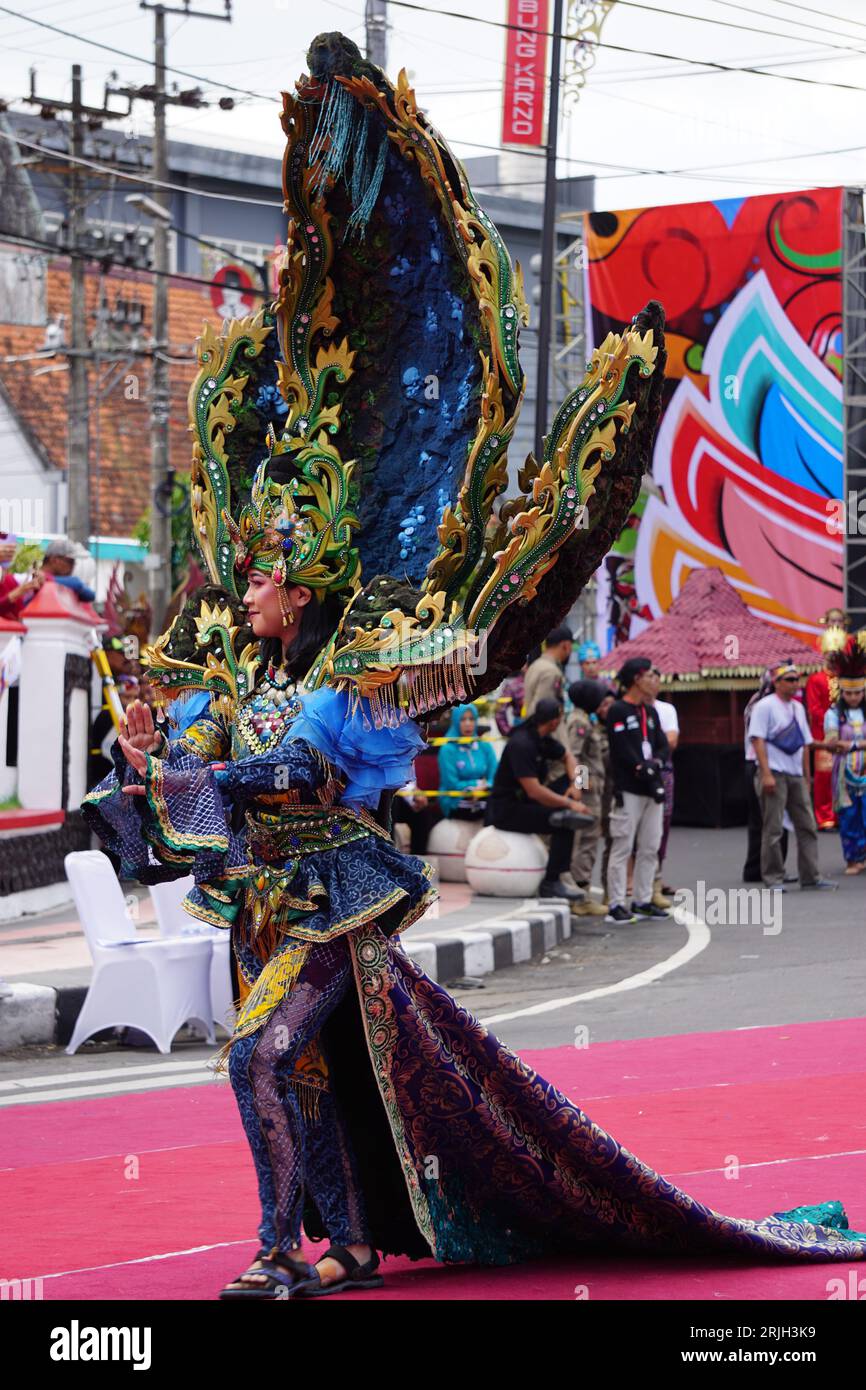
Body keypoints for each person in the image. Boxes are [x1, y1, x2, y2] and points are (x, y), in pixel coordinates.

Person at [82, 29, 866, 1296]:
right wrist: (149, 763)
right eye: (253, 569)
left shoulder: (354, 673)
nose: (250, 583)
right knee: (302, 1070)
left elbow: (322, 767)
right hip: (265, 902)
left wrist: (229, 775)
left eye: (271, 571)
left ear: (308, 580)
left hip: (334, 896)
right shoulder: (231, 671)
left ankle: (282, 1250)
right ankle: (340, 1241)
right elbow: (190, 803)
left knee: (260, 1054)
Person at [485, 698, 593, 900]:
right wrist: (572, 803)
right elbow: (534, 791)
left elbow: (571, 757)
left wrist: (578, 785)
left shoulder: (541, 737)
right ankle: (559, 882)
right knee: (567, 822)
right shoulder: (523, 743)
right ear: (554, 721)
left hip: (552, 799)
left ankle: (569, 880)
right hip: (509, 809)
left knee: (575, 811)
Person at [749, 663, 836, 891]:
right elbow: (757, 740)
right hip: (774, 773)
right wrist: (766, 773)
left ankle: (810, 876)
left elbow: (804, 744)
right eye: (789, 680)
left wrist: (807, 776)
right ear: (776, 683)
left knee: (807, 826)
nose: (794, 684)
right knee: (773, 828)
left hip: (795, 774)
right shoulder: (764, 706)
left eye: (796, 679)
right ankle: (773, 878)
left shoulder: (797, 707)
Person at [605, 657, 670, 924]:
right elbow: (621, 750)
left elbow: (663, 745)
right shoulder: (618, 710)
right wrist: (640, 767)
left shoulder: (650, 712)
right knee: (622, 846)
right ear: (636, 679)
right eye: (650, 676)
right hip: (629, 788)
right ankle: (616, 903)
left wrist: (656, 764)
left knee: (650, 846)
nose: (655, 681)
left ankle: (643, 900)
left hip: (652, 788)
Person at [565, 678, 613, 916]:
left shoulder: (585, 719)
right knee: (586, 841)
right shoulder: (579, 722)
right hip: (587, 794)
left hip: (595, 791)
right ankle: (580, 895)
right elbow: (574, 755)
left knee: (589, 840)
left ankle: (579, 893)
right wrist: (582, 783)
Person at [823, 634, 866, 873]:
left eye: (857, 693)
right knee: (849, 816)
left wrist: (850, 745)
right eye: (849, 694)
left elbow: (842, 743)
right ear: (842, 692)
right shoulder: (833, 714)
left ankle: (864, 855)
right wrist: (855, 745)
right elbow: (831, 743)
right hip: (845, 774)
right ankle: (852, 859)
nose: (853, 697)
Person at [805, 611, 848, 831]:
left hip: (847, 734)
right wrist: (833, 727)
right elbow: (815, 710)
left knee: (846, 774)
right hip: (823, 736)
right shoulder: (816, 679)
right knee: (824, 776)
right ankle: (824, 816)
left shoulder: (847, 679)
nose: (833, 657)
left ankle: (842, 815)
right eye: (831, 654)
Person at [646, 666, 678, 909]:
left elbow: (671, 741)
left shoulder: (664, 710)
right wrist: (581, 786)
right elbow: (580, 760)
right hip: (625, 778)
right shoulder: (621, 711)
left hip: (659, 772)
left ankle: (654, 882)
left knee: (659, 827)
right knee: (625, 835)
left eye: (655, 678)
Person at [437, 703, 498, 820]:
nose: (468, 723)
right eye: (463, 719)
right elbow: (451, 784)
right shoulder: (447, 749)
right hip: (455, 799)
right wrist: (476, 786)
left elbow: (495, 775)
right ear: (455, 722)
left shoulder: (485, 746)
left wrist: (486, 787)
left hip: (483, 794)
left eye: (471, 719)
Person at [34, 537, 96, 604]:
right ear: (54, 560)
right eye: (70, 561)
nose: (73, 565)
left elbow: (90, 595)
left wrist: (48, 578)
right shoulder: (31, 580)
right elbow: (77, 584)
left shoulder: (60, 582)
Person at [0, 535, 42, 620]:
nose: (8, 551)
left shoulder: (11, 580)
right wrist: (19, 591)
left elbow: (41, 579)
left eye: (12, 549)